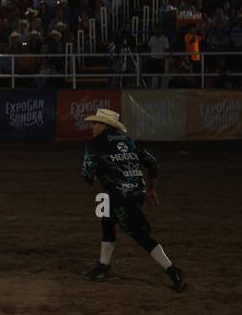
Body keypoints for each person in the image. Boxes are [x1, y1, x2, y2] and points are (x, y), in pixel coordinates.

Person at [80, 109, 186, 291]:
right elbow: (152, 163)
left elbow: (87, 176)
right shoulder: (128, 141)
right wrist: (152, 190)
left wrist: (96, 175)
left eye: (96, 123)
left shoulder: (95, 144)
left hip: (117, 195)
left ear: (105, 126)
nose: (93, 127)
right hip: (135, 193)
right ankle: (103, 266)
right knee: (107, 222)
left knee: (139, 235)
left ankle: (172, 270)